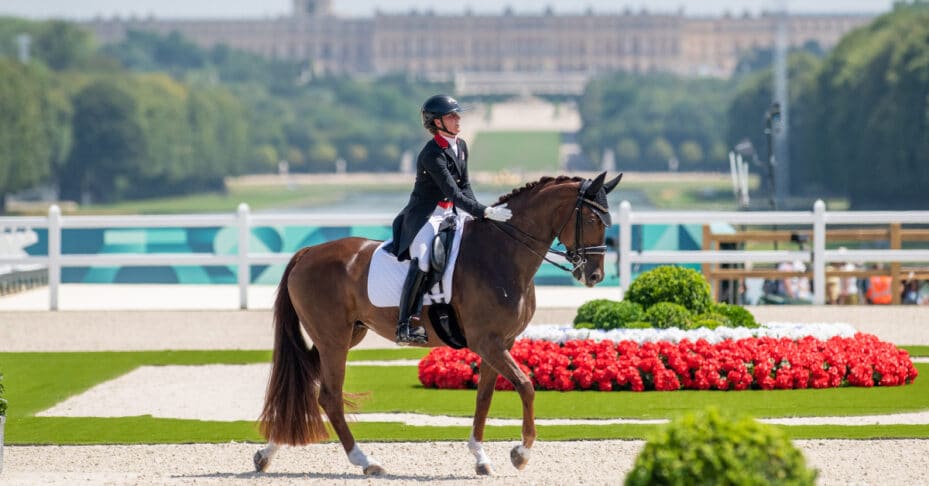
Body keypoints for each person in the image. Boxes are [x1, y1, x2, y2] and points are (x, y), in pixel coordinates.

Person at [384, 94, 512, 345]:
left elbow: (465, 186)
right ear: (437, 123)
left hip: (453, 212)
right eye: (451, 116)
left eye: (457, 115)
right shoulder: (432, 154)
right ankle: (404, 324)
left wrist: (480, 215)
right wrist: (484, 211)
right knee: (422, 259)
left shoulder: (461, 145)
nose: (458, 119)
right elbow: (452, 191)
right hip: (426, 216)